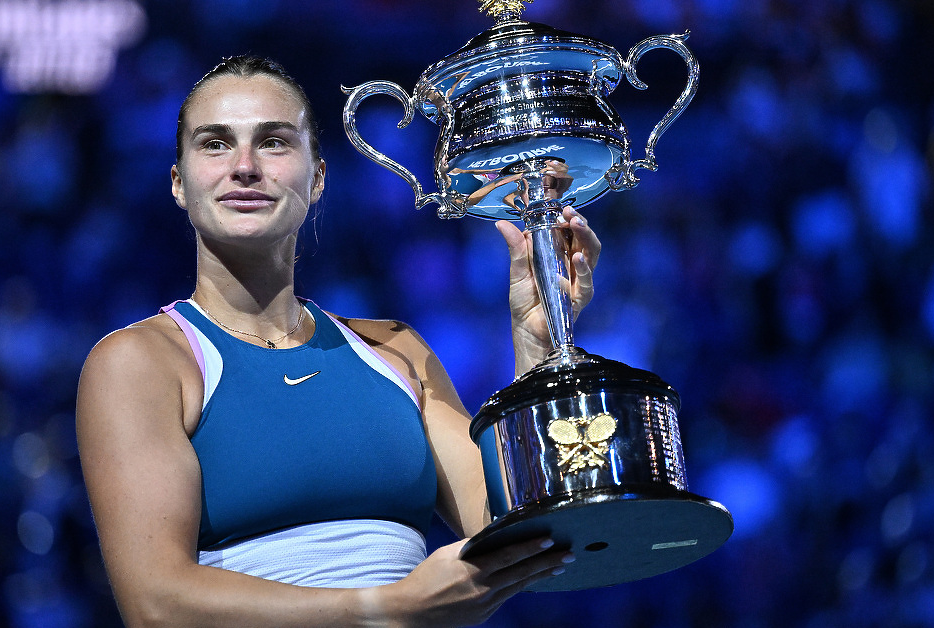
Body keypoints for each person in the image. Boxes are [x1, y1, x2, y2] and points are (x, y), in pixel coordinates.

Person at [75, 55, 601, 627]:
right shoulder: (140, 363)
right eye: (215, 144)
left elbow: (522, 529)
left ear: (318, 177)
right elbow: (157, 606)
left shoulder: (398, 353)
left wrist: (538, 346)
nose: (245, 166)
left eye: (274, 142)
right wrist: (387, 607)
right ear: (179, 183)